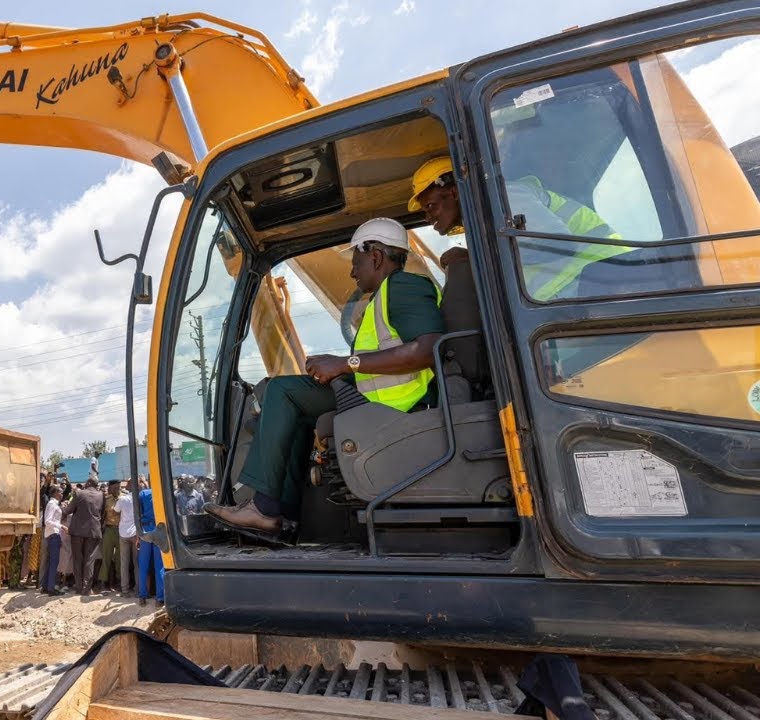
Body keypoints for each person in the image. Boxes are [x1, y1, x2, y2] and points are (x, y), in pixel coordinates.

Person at [205, 217, 446, 538]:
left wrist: (345, 363)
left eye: (356, 261)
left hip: (396, 408)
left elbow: (428, 350)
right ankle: (279, 514)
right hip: (375, 399)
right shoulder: (386, 295)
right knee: (290, 398)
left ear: (375, 256)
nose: (351, 271)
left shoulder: (404, 286)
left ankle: (266, 508)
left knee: (283, 391)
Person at [408, 157, 625, 301]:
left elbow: (555, 245)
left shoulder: (505, 197)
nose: (428, 217)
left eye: (430, 206)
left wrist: (472, 259)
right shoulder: (485, 222)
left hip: (603, 282)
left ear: (454, 192)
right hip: (570, 295)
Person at [62, 477, 104, 596]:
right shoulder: (101, 495)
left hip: (77, 532)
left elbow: (68, 510)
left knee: (77, 560)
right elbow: (102, 514)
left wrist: (60, 511)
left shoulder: (79, 493)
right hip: (93, 532)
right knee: (89, 561)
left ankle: (79, 588)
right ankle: (87, 589)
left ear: (88, 483)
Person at [135, 479, 164, 606]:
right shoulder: (163, 492)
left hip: (145, 530)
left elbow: (138, 515)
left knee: (143, 565)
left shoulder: (143, 494)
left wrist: (138, 534)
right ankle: (159, 598)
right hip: (159, 530)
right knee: (159, 566)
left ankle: (142, 596)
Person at [98, 481, 123, 592]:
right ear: (110, 488)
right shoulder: (106, 500)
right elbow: (102, 516)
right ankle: (103, 582)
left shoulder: (124, 499)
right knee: (106, 557)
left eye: (118, 487)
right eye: (114, 488)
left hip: (121, 531)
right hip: (108, 530)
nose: (116, 490)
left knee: (119, 558)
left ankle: (120, 581)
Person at [40, 487, 64, 595]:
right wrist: (61, 526)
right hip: (53, 534)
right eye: (60, 492)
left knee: (51, 562)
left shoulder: (54, 504)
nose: (62, 494)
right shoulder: (51, 504)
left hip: (54, 534)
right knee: (54, 562)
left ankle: (45, 586)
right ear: (54, 493)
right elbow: (48, 521)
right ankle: (51, 588)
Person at [115, 483, 137, 596]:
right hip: (135, 534)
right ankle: (138, 588)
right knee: (136, 563)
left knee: (124, 563)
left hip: (123, 533)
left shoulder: (122, 499)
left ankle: (125, 590)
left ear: (128, 487)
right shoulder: (139, 497)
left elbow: (116, 510)